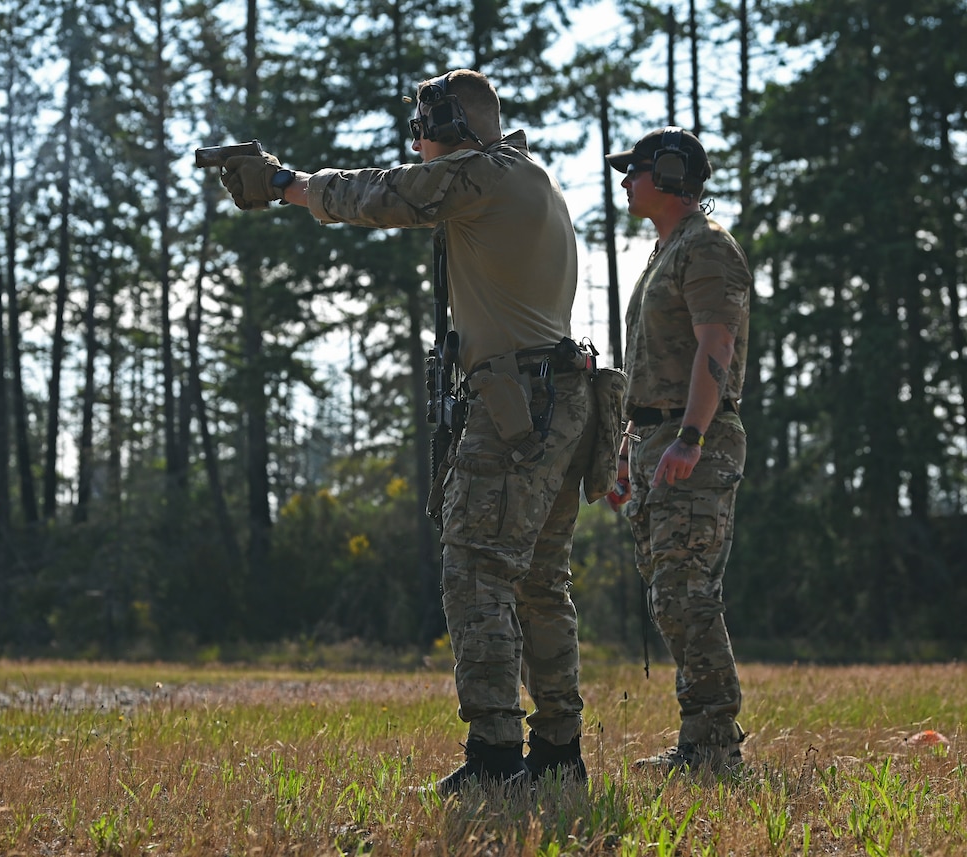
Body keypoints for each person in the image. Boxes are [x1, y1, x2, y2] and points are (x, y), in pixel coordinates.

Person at [220, 69, 615, 794]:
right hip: (557, 398)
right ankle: (559, 752)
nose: (416, 145)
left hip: (519, 404)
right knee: (538, 582)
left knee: (477, 572)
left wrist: (283, 183)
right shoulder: (525, 177)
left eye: (421, 130)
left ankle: (495, 758)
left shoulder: (486, 175)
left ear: (452, 127)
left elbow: (386, 195)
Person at [604, 127, 751, 774]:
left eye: (634, 170)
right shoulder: (666, 251)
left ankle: (713, 745)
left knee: (687, 593)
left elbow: (716, 345)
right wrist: (628, 447)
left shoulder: (707, 248)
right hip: (657, 439)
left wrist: (692, 436)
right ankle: (701, 737)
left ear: (667, 173)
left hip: (696, 441)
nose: (625, 181)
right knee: (671, 594)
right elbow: (655, 362)